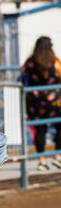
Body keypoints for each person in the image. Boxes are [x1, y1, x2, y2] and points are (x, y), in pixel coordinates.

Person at [20, 36, 61, 168]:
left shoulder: (30, 63)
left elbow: (22, 78)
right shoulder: (55, 62)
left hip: (35, 103)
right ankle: (58, 156)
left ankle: (41, 161)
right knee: (59, 128)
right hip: (54, 102)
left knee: (40, 130)